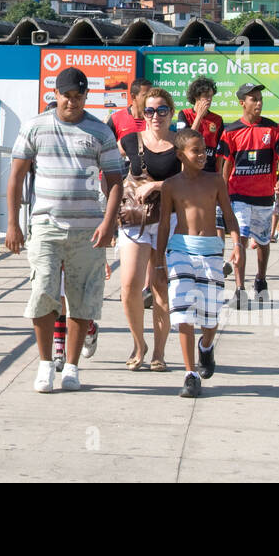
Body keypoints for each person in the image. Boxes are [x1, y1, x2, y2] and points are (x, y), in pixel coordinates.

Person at [7, 67, 123, 393]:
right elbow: (16, 177)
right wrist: (13, 224)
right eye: (66, 96)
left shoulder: (100, 132)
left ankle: (71, 366)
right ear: (55, 95)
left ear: (86, 97)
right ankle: (45, 364)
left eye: (78, 96)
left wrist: (108, 222)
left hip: (88, 229)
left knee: (82, 298)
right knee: (43, 290)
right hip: (45, 224)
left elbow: (115, 181)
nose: (71, 102)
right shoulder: (34, 128)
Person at [155, 128, 239, 398]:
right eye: (196, 151)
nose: (202, 155)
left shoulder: (216, 181)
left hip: (211, 253)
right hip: (180, 251)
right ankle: (190, 374)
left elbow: (228, 215)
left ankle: (206, 346)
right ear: (181, 155)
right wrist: (158, 261)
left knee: (211, 316)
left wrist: (236, 244)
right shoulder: (171, 185)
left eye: (204, 150)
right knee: (183, 314)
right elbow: (165, 224)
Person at [117, 87, 181, 371]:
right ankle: (138, 343)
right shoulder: (129, 140)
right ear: (143, 113)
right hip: (136, 219)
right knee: (129, 285)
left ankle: (159, 351)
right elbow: (113, 170)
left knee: (160, 287)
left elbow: (193, 182)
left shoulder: (181, 144)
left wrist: (158, 185)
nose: (156, 116)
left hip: (169, 221)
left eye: (162, 110)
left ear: (171, 112)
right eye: (151, 111)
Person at [218, 83, 279, 308]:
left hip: (264, 196)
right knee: (240, 241)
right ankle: (239, 289)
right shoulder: (230, 131)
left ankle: (260, 280)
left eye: (260, 99)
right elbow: (225, 165)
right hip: (238, 195)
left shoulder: (273, 128)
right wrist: (223, 191)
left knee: (263, 241)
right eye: (253, 99)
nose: (258, 103)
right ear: (242, 103)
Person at [175, 75, 226, 241]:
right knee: (192, 215)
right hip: (189, 173)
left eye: (211, 96)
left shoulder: (217, 120)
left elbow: (220, 152)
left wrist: (220, 176)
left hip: (210, 173)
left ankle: (220, 256)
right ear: (196, 97)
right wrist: (199, 117)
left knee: (216, 219)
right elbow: (184, 139)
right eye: (205, 96)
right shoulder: (184, 114)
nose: (209, 100)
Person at [109, 79, 151, 143]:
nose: (150, 98)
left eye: (151, 95)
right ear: (133, 96)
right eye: (146, 95)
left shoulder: (156, 119)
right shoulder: (116, 119)